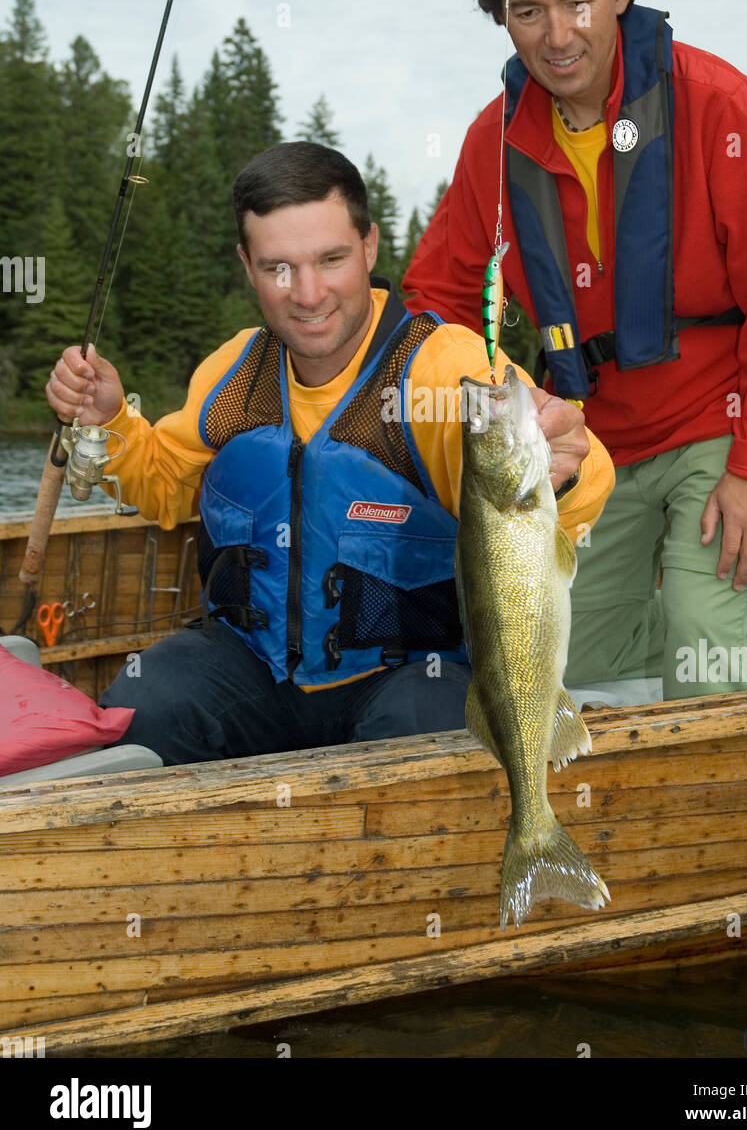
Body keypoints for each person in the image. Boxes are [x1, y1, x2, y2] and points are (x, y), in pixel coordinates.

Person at [45, 142, 615, 764]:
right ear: (247, 265)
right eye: (278, 268)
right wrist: (110, 421)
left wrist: (561, 464)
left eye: (331, 259)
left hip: (407, 675)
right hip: (254, 668)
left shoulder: (441, 367)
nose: (308, 293)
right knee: (141, 702)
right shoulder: (230, 375)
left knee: (424, 733)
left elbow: (578, 479)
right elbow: (159, 486)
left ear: (369, 247)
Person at [403, 0, 747, 700]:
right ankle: (718, 618)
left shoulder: (720, 105)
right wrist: (504, 403)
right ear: (503, 19)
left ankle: (734, 627)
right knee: (567, 668)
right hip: (585, 443)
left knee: (711, 673)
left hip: (718, 424)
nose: (558, 35)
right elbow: (437, 307)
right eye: (528, 11)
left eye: (579, 1)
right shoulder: (489, 146)